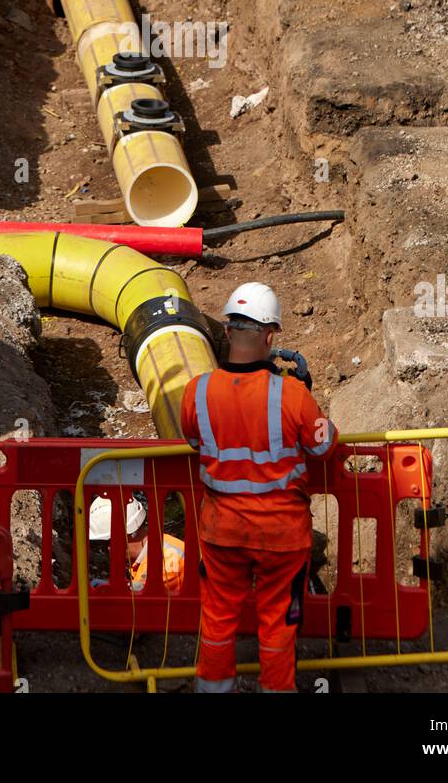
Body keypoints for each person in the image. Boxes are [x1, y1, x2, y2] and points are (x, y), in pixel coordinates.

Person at [180, 282, 337, 693]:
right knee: (278, 626)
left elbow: (196, 442)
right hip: (281, 537)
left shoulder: (195, 392)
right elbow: (321, 445)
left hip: (222, 532)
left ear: (228, 331)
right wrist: (310, 397)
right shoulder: (293, 395)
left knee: (216, 621)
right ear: (271, 336)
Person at [88, 494, 185, 593]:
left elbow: (142, 598)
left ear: (131, 533)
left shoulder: (167, 556)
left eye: (108, 542)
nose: (108, 549)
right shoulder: (150, 554)